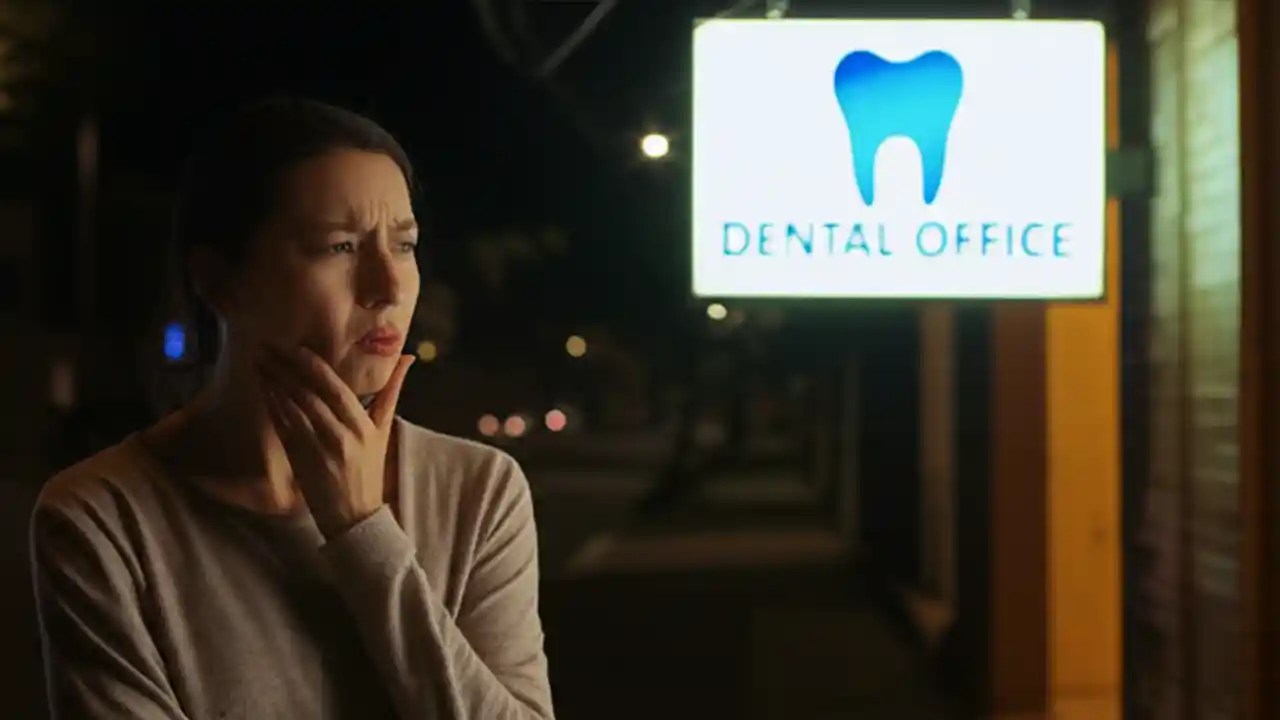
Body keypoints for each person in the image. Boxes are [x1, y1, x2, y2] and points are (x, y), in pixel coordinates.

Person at [29, 97, 555, 719]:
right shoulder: (102, 519)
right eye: (338, 248)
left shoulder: (479, 491)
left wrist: (363, 529)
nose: (387, 287)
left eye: (405, 245)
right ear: (218, 280)